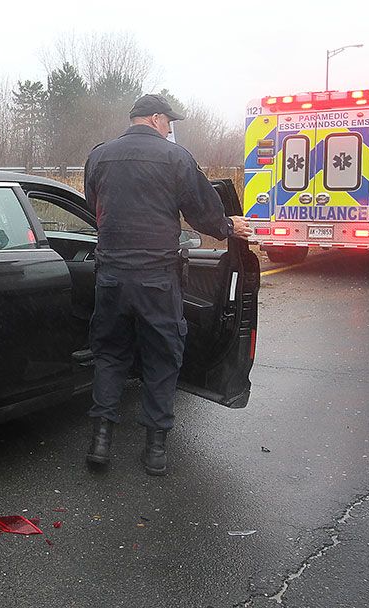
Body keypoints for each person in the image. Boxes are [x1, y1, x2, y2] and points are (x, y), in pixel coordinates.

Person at [82, 93, 251, 476]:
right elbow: (202, 209)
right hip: (157, 279)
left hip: (110, 277)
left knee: (109, 356)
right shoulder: (176, 158)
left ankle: (100, 442)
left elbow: (95, 206)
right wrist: (228, 226)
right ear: (156, 119)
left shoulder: (99, 156)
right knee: (162, 358)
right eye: (169, 122)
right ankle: (155, 450)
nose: (171, 129)